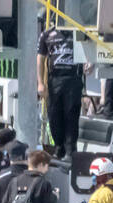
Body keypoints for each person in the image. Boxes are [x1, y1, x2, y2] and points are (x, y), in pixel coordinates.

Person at [38, 19, 82, 161]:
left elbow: (91, 48)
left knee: (71, 115)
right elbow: (40, 58)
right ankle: (58, 148)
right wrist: (40, 83)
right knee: (54, 115)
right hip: (54, 79)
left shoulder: (79, 31)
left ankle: (70, 150)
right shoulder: (47, 34)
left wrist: (90, 63)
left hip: (73, 78)